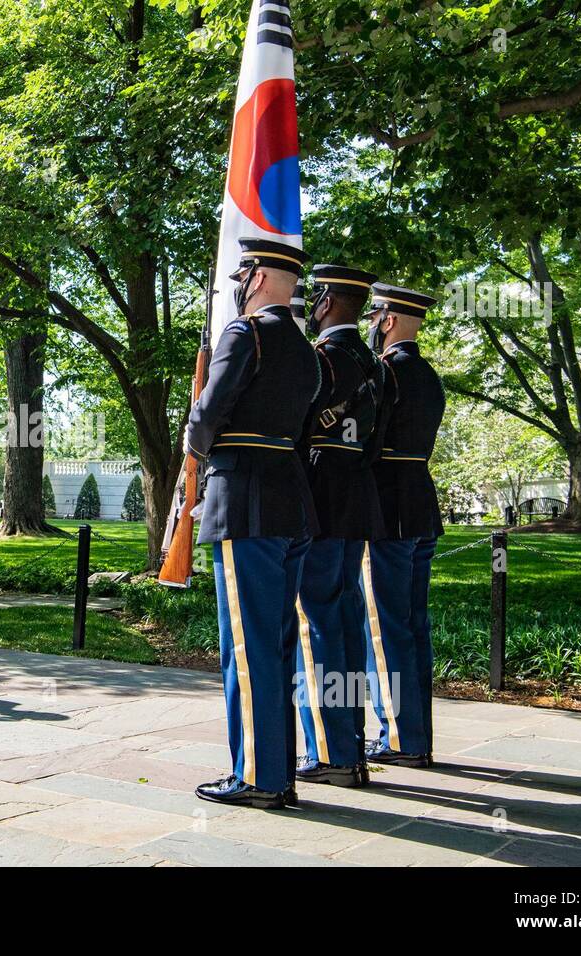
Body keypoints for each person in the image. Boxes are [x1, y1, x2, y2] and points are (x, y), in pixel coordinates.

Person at [186, 238, 320, 810]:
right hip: (291, 499)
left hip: (243, 497)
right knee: (277, 643)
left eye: (244, 275)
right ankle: (277, 771)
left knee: (247, 647)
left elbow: (208, 414)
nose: (239, 285)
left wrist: (199, 453)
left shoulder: (246, 334)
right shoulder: (308, 351)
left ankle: (261, 778)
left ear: (261, 276)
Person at [293, 264, 385, 788]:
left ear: (326, 302)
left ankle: (331, 752)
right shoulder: (375, 365)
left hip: (320, 497)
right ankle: (349, 742)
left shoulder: (320, 360)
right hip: (357, 496)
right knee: (346, 621)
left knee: (318, 622)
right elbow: (374, 441)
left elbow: (297, 427)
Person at [361, 284, 446, 768]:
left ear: (387, 320)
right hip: (420, 505)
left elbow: (369, 443)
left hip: (387, 511)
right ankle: (416, 733)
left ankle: (399, 737)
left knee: (386, 628)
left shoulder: (383, 374)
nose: (371, 324)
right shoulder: (429, 376)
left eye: (374, 317)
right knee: (414, 626)